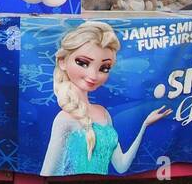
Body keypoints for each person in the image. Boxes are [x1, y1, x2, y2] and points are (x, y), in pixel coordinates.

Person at [40, 21, 171, 176]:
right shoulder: (64, 119)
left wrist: (145, 125)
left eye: (104, 68)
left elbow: (121, 166)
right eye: (83, 63)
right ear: (62, 62)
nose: (93, 75)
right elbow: (48, 171)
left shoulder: (103, 113)